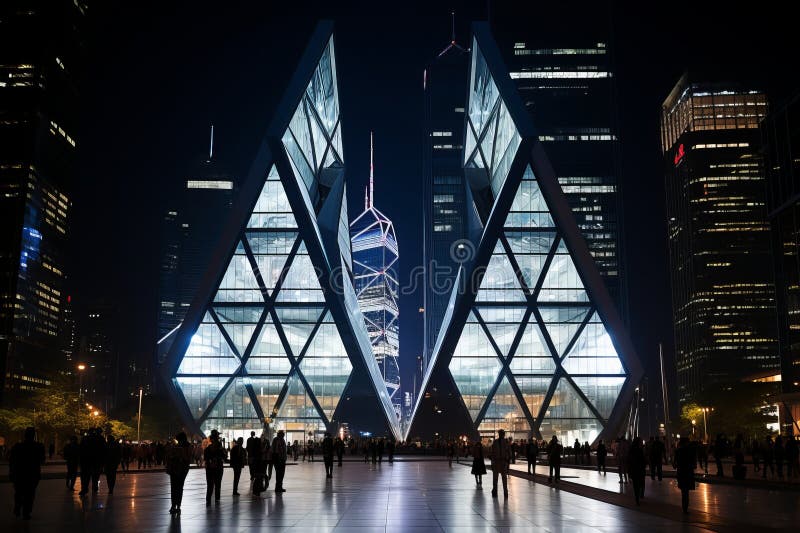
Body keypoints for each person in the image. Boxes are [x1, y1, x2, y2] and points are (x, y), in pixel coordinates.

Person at [9, 427, 45, 520]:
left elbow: (12, 461)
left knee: (19, 492)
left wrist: (12, 473)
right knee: (30, 494)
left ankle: (18, 507)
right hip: (33, 474)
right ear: (34, 436)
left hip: (19, 474)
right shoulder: (38, 447)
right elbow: (42, 460)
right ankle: (26, 512)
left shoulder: (17, 446)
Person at [165, 432, 193, 514]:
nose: (178, 442)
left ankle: (178, 506)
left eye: (179, 440)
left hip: (182, 470)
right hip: (174, 469)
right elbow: (169, 456)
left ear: (182, 439)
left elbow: (188, 459)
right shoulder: (176, 446)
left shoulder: (188, 447)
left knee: (179, 487)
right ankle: (174, 505)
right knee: (174, 488)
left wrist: (180, 455)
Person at [78, 428, 105, 496]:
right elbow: (104, 450)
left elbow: (81, 449)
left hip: (86, 460)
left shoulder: (85, 439)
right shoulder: (100, 439)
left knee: (85, 476)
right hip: (95, 461)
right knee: (95, 475)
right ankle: (94, 487)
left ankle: (85, 489)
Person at [203, 429, 226, 505]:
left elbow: (206, 459)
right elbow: (224, 457)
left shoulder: (208, 449)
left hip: (212, 468)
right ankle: (215, 498)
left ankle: (209, 499)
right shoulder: (219, 449)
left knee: (211, 484)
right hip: (216, 468)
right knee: (216, 484)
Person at [675, 436, 696, 514]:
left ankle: (684, 508)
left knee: (683, 491)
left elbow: (674, 465)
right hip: (688, 472)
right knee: (686, 491)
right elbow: (694, 464)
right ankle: (685, 508)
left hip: (681, 472)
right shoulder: (691, 451)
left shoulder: (678, 451)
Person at [490, 429, 511, 498]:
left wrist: (507, 460)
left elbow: (509, 452)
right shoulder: (497, 442)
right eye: (501, 433)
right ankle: (499, 491)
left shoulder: (502, 442)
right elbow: (492, 453)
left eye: (502, 433)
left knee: (500, 478)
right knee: (499, 477)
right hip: (498, 461)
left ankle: (502, 491)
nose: (501, 434)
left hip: (501, 461)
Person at [628, 437, 646, 506]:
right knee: (641, 482)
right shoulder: (640, 450)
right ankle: (641, 494)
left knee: (635, 485)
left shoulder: (631, 450)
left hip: (634, 470)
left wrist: (629, 472)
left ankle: (637, 498)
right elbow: (643, 460)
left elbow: (629, 461)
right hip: (640, 470)